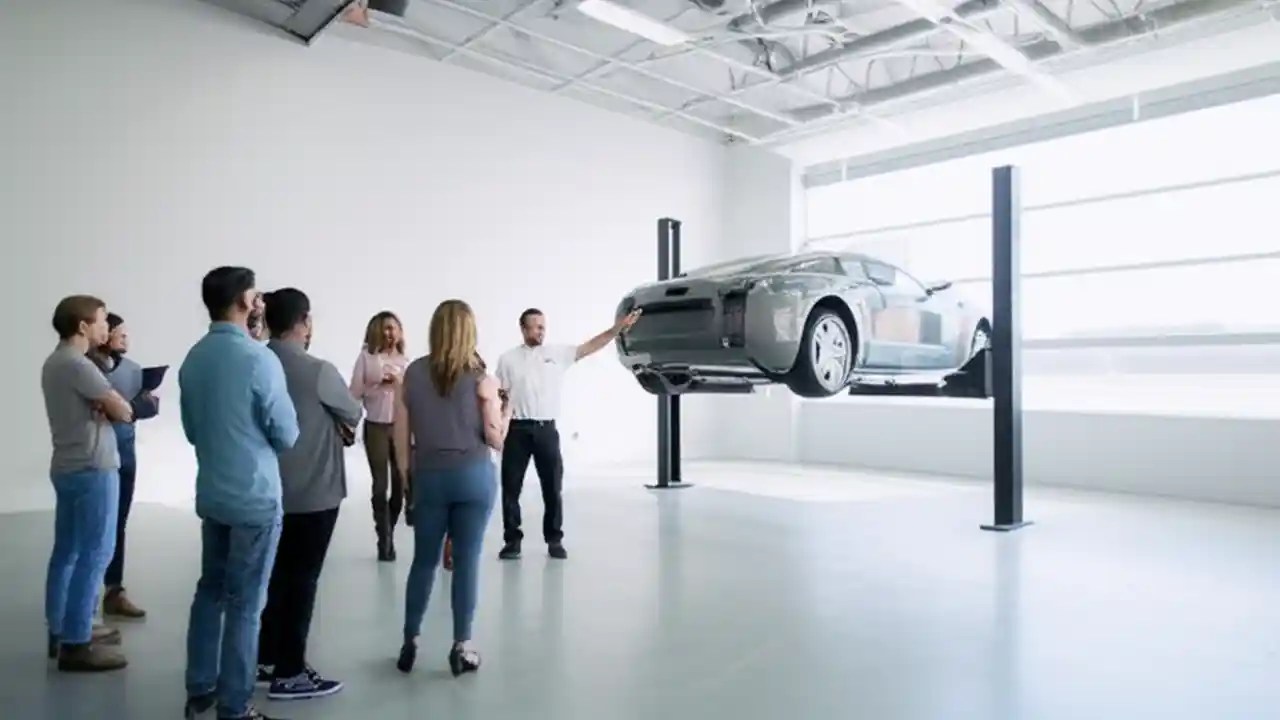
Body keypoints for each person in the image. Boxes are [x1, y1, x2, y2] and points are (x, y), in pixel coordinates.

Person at [179, 267, 298, 720]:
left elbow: (191, 431)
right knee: (247, 605)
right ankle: (235, 705)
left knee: (210, 590)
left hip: (212, 494)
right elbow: (286, 433)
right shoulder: (258, 359)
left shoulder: (194, 358)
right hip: (255, 498)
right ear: (246, 301)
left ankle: (200, 689)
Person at [254, 289, 363, 701]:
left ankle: (265, 658)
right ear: (303, 322)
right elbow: (352, 413)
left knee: (275, 579)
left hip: (267, 491)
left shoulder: (256, 364)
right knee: (303, 581)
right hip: (314, 493)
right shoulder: (317, 370)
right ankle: (291, 672)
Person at [393, 300, 511, 676]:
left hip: (430, 475)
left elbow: (400, 436)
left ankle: (410, 638)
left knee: (423, 561)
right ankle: (463, 644)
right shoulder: (481, 378)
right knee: (467, 561)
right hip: (474, 475)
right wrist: (504, 408)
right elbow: (495, 439)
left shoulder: (412, 373)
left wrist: (407, 477)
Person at [494, 307, 641, 560]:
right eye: (536, 326)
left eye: (543, 326)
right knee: (510, 488)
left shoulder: (557, 354)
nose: (542, 331)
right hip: (517, 430)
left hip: (546, 430)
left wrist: (618, 328)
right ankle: (512, 541)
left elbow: (591, 345)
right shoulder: (507, 360)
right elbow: (500, 397)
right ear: (523, 328)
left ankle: (554, 539)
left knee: (552, 487)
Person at [42, 295, 134, 672]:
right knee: (96, 552)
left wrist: (107, 404)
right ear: (82, 326)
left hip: (66, 464)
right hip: (94, 468)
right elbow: (125, 411)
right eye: (100, 321)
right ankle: (77, 643)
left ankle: (62, 628)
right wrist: (111, 404)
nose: (106, 328)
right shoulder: (80, 366)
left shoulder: (55, 362)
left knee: (67, 551)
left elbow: (112, 405)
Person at [91, 313, 160, 620]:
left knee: (118, 523)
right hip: (97, 457)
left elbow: (141, 406)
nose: (125, 339)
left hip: (126, 455)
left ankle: (114, 591)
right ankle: (88, 602)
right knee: (95, 529)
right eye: (119, 333)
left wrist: (146, 405)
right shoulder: (84, 369)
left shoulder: (133, 370)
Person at [349, 311, 409, 561]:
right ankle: (383, 539)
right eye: (385, 328)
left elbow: (412, 397)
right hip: (375, 426)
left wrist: (399, 383)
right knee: (379, 486)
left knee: (399, 487)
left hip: (400, 427)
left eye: (394, 328)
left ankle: (390, 530)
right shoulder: (366, 357)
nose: (389, 333)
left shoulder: (406, 361)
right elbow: (354, 392)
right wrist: (377, 384)